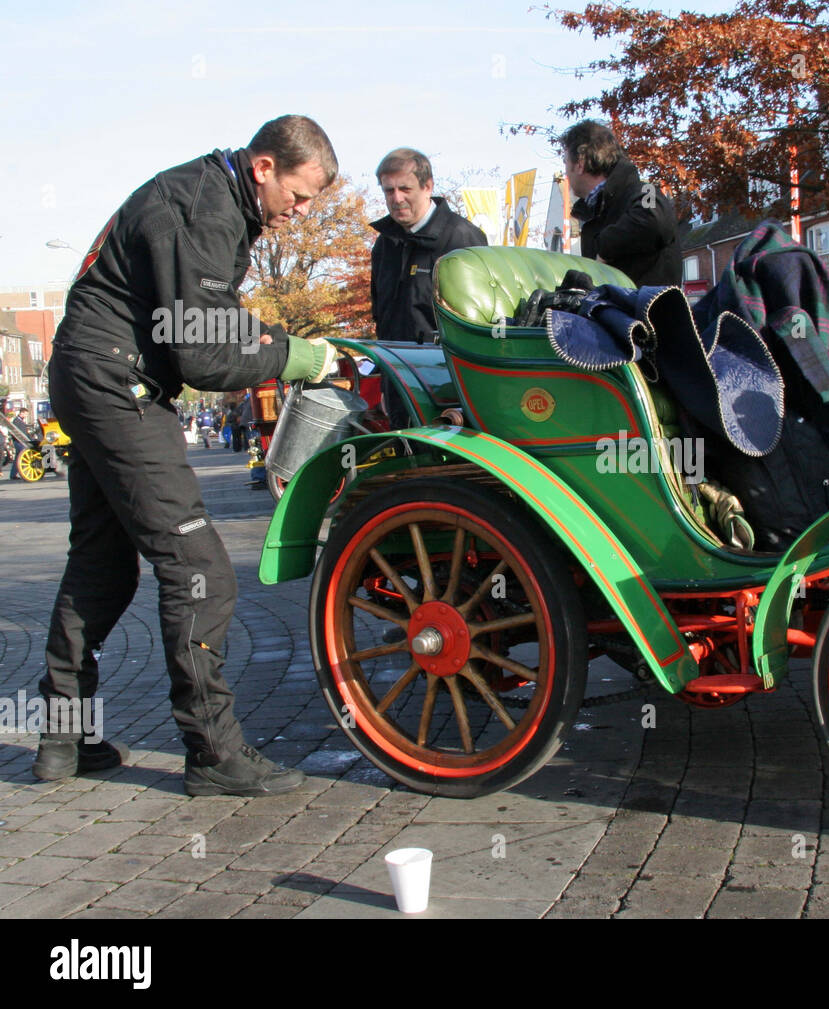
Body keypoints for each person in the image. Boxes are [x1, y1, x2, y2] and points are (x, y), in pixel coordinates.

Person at [34, 114, 342, 796]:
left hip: (91, 371)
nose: (302, 212)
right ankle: (212, 750)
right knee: (200, 565)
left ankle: (63, 734)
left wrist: (278, 341)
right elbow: (202, 352)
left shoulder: (208, 198)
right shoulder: (205, 208)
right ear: (264, 167)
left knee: (101, 562)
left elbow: (213, 322)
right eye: (299, 195)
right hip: (116, 380)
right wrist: (297, 356)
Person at [369, 148, 487, 344]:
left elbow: (477, 322)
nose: (397, 199)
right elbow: (380, 315)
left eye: (405, 189)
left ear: (428, 187)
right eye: (389, 190)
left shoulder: (461, 239)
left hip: (444, 370)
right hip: (395, 368)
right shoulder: (384, 244)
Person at [559, 119, 683, 287]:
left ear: (580, 164)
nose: (565, 172)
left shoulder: (646, 190)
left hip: (646, 310)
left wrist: (604, 248)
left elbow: (653, 220)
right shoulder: (594, 213)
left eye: (566, 162)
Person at [8, 407, 33, 479]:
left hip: (20, 442)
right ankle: (23, 473)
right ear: (21, 413)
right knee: (23, 458)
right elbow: (18, 433)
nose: (26, 416)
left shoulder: (20, 421)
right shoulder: (17, 421)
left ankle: (13, 475)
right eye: (25, 414)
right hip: (19, 442)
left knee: (18, 458)